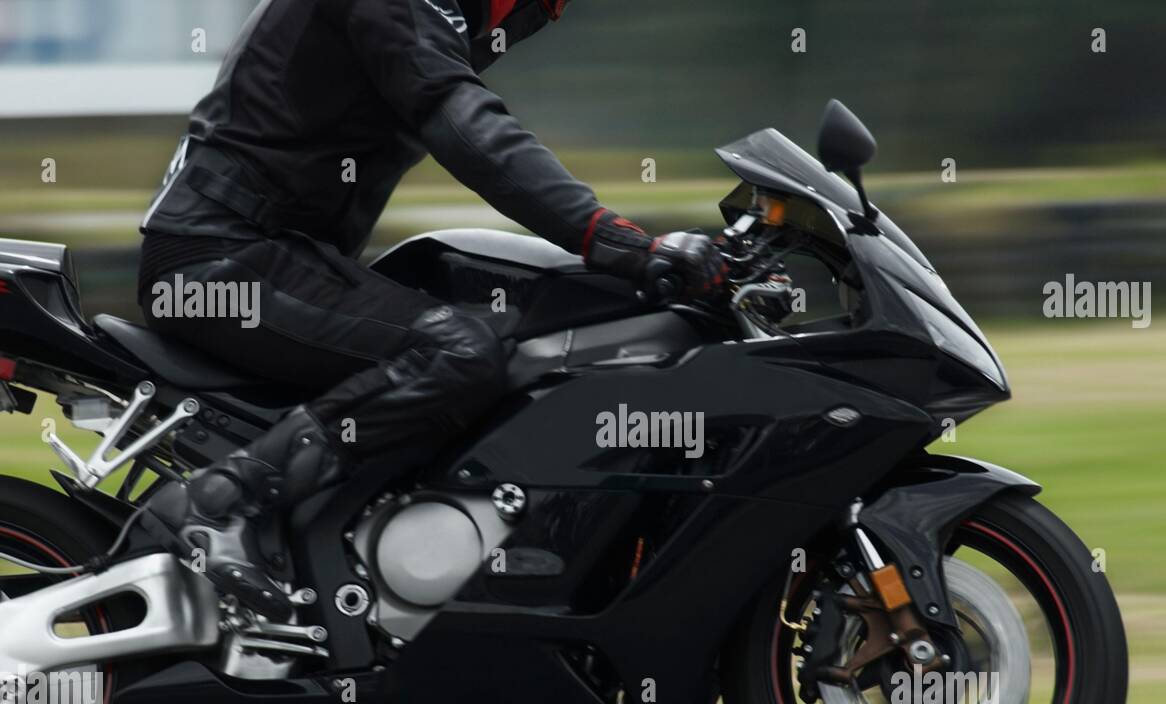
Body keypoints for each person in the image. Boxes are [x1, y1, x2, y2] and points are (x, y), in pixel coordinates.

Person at [135, 0, 726, 621]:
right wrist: (612, 238)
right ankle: (218, 506)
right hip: (221, 260)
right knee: (458, 350)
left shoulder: (474, 14)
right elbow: (460, 118)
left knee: (507, 328)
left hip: (276, 255)